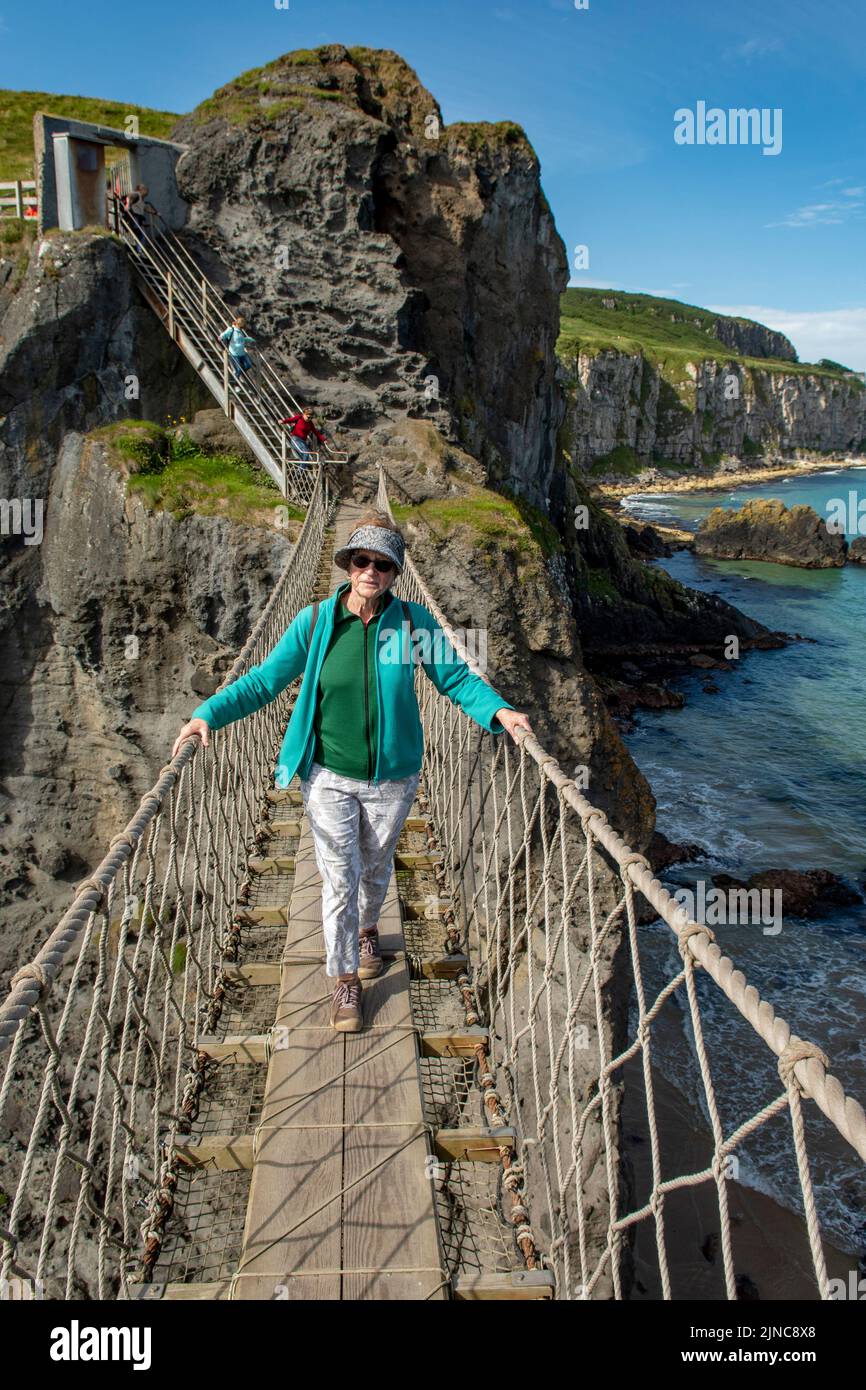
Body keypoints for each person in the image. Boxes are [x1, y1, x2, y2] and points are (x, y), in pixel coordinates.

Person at [172, 510, 533, 1033]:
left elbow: (455, 677)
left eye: (383, 564)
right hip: (329, 775)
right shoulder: (316, 623)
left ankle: (369, 929)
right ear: (346, 564)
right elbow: (263, 681)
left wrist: (499, 711)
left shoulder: (412, 624)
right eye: (362, 560)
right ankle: (344, 980)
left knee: (376, 863)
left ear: (394, 573)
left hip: (394, 777)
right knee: (340, 878)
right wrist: (208, 714)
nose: (371, 572)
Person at [219, 316, 256, 381]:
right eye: (241, 326)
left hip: (242, 353)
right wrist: (221, 337)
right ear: (237, 324)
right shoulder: (231, 329)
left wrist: (249, 339)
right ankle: (235, 383)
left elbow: (241, 340)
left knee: (249, 365)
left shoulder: (240, 331)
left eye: (242, 327)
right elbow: (224, 334)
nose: (241, 328)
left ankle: (238, 374)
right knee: (238, 369)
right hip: (234, 353)